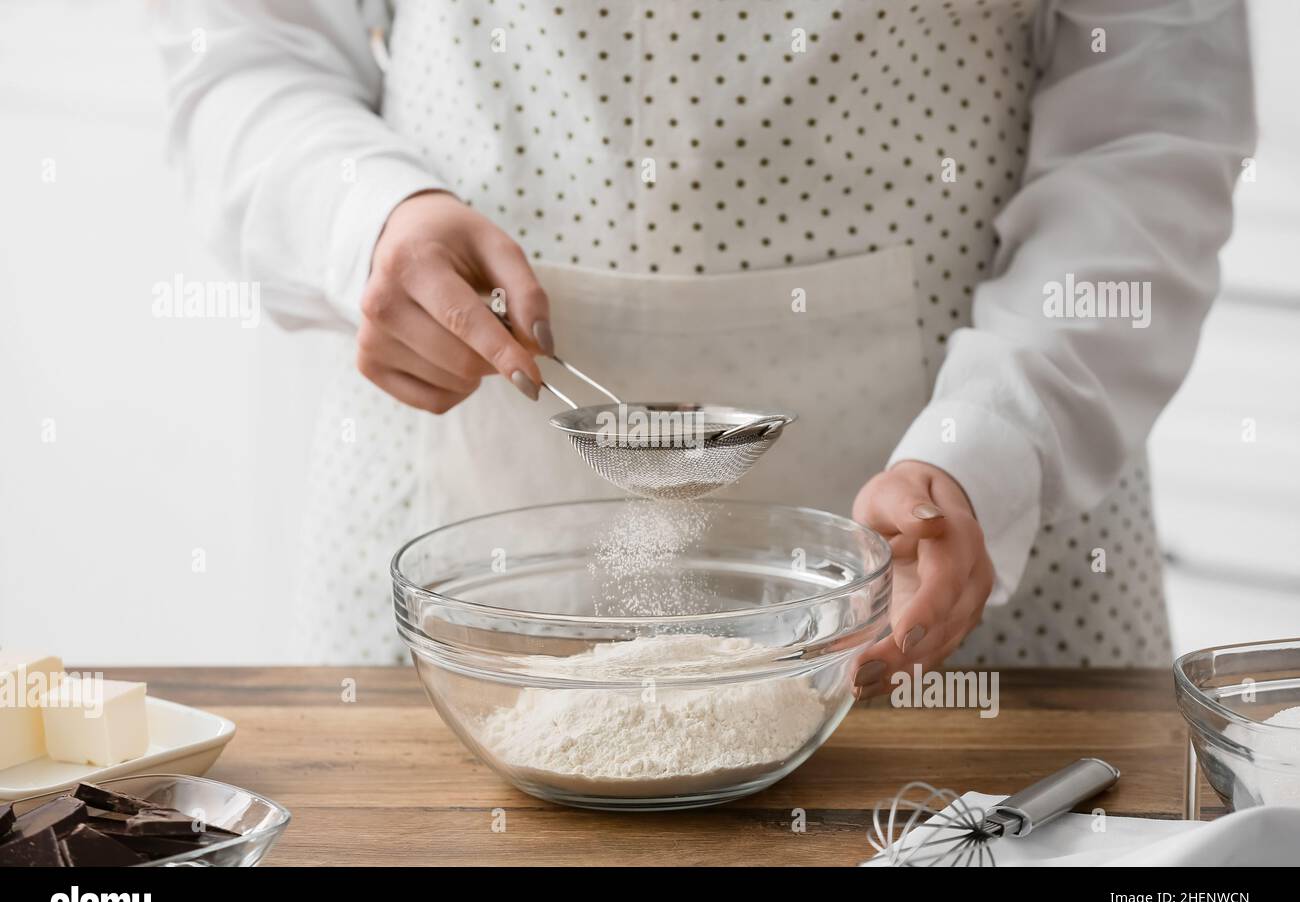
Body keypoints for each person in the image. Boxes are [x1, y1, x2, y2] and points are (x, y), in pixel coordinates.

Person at [154, 1, 1255, 681]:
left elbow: (1149, 126)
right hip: (456, 521)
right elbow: (242, 47)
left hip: (977, 544)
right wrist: (363, 219)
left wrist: (1001, 440)